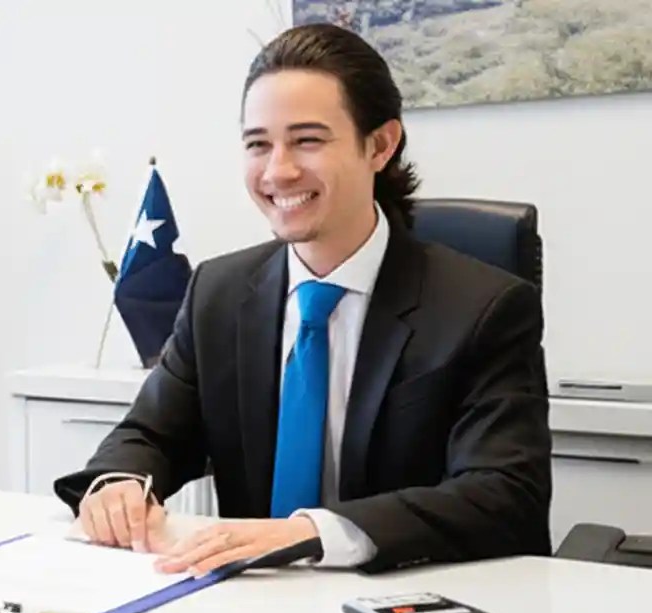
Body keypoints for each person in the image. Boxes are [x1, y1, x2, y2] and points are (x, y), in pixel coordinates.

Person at [55, 23, 552, 576]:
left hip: (405, 608)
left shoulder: (486, 307)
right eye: (258, 144)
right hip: (248, 610)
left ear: (381, 145)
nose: (277, 170)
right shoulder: (216, 293)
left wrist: (311, 534)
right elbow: (150, 433)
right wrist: (120, 482)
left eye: (308, 140)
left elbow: (505, 496)